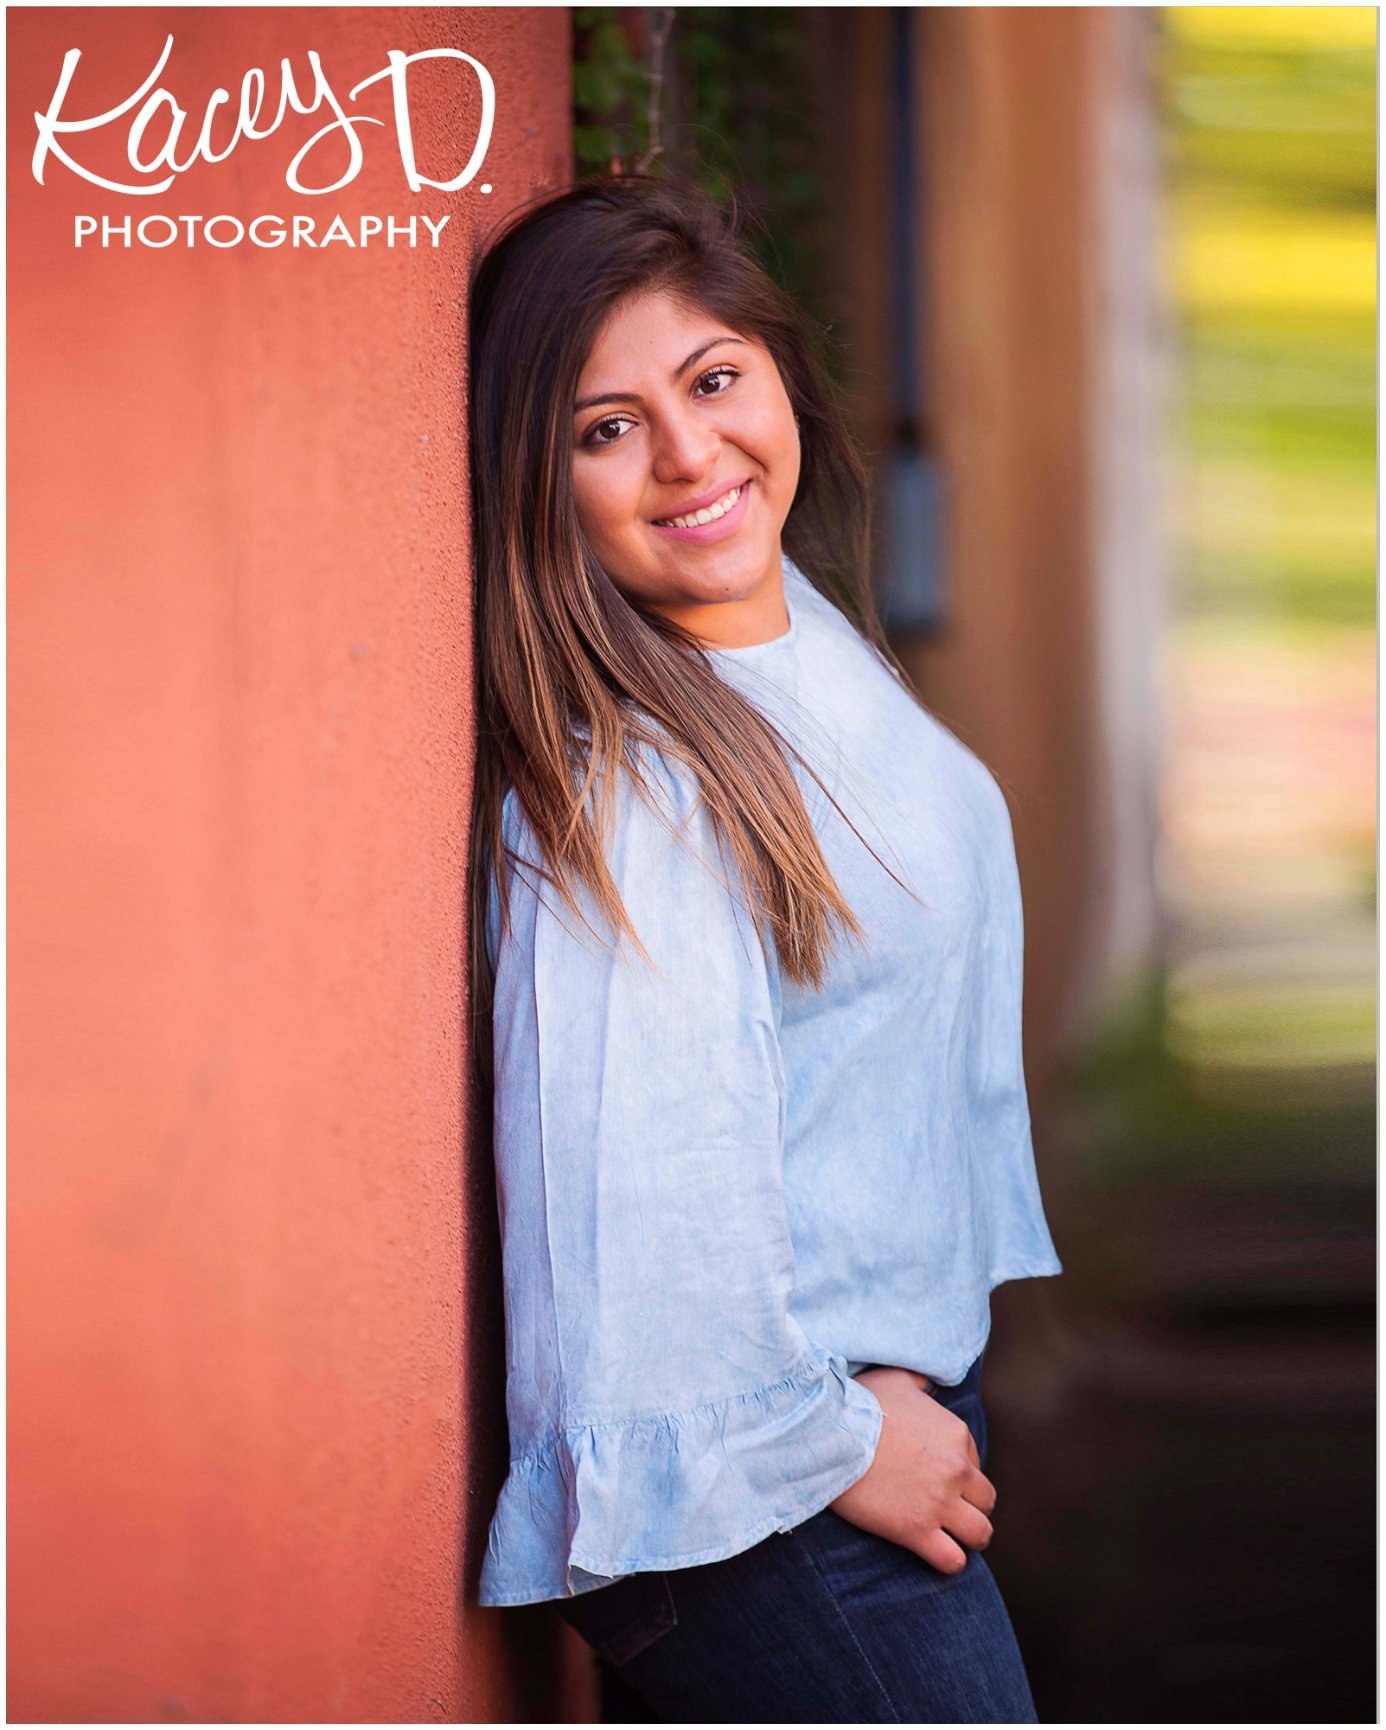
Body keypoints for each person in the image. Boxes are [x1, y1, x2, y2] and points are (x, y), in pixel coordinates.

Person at [467, 175, 1063, 1723]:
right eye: (607, 429)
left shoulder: (794, 632)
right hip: (760, 1485)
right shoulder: (629, 790)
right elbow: (632, 1195)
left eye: (713, 379)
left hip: (853, 1424)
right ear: (535, 482)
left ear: (778, 373)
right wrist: (837, 1439)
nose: (689, 455)